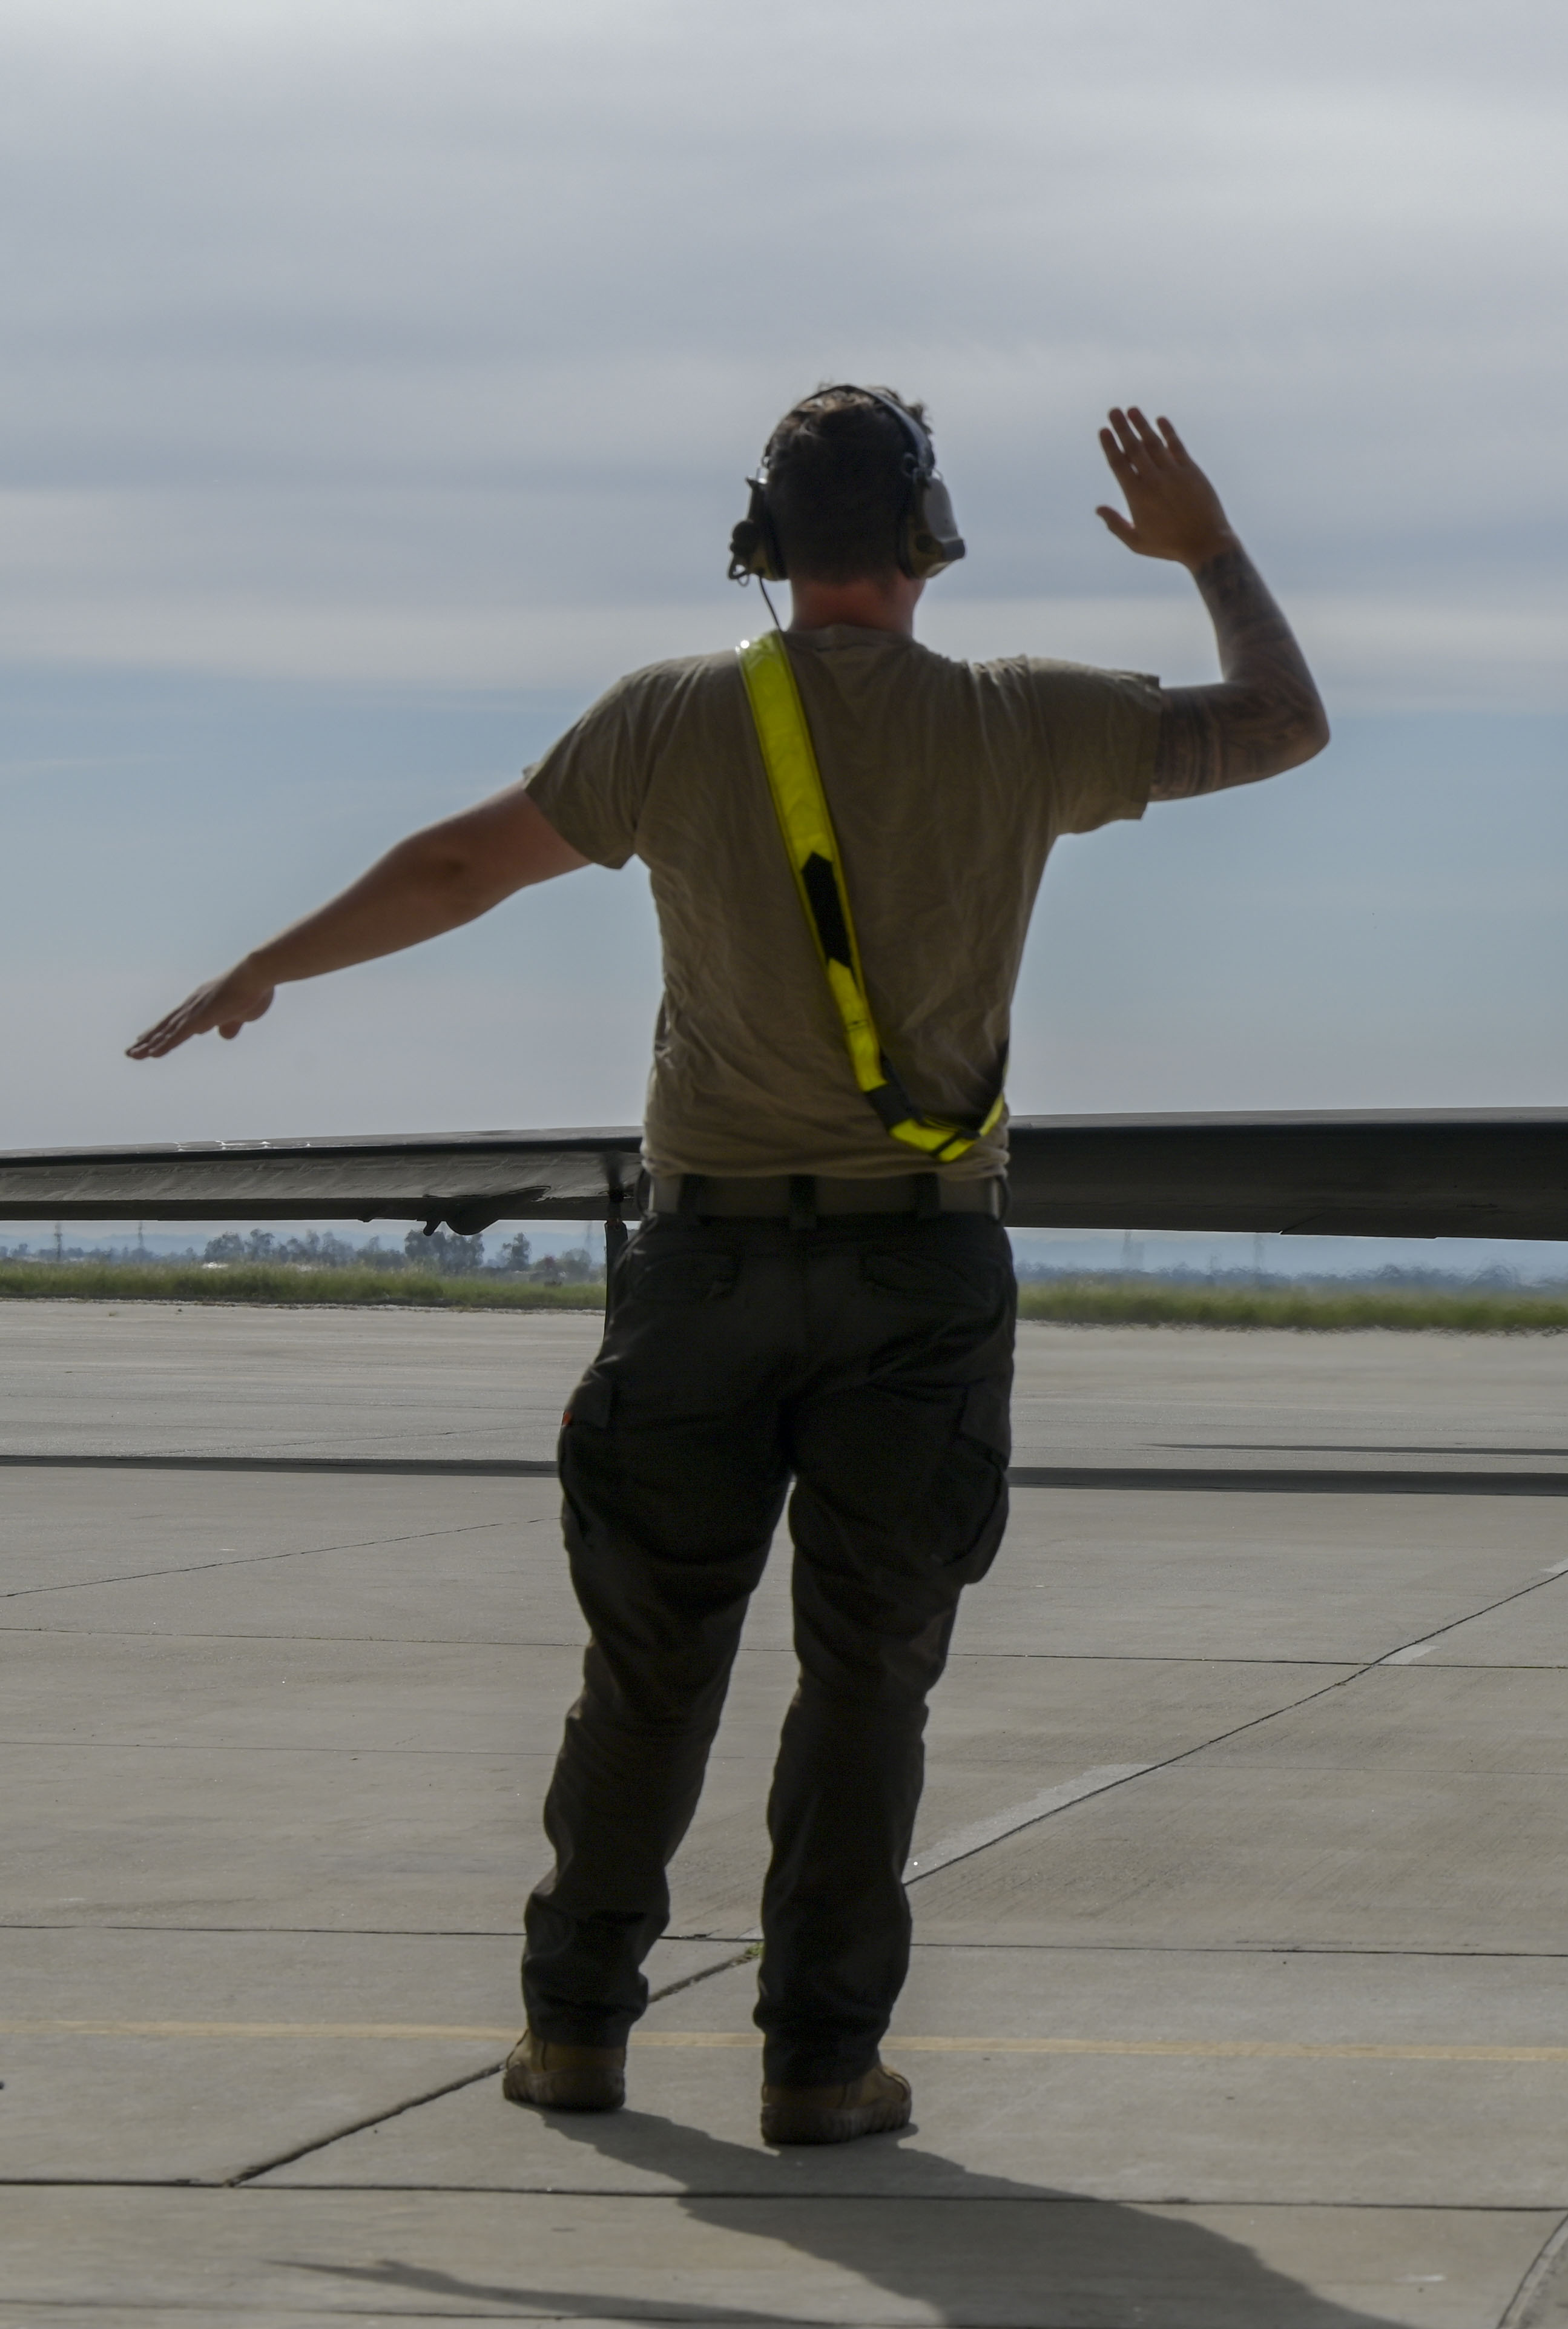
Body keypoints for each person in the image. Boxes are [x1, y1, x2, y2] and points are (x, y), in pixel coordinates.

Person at [129, 388, 1326, 2144]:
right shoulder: (1027, 725)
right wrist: (1207, 545)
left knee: (650, 1669)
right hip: (918, 1284)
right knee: (867, 1682)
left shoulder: (673, 721)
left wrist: (270, 964)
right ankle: (821, 2065)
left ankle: (572, 2033)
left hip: (696, 1278)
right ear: (928, 540)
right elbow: (1282, 722)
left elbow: (463, 865)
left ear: (763, 549)